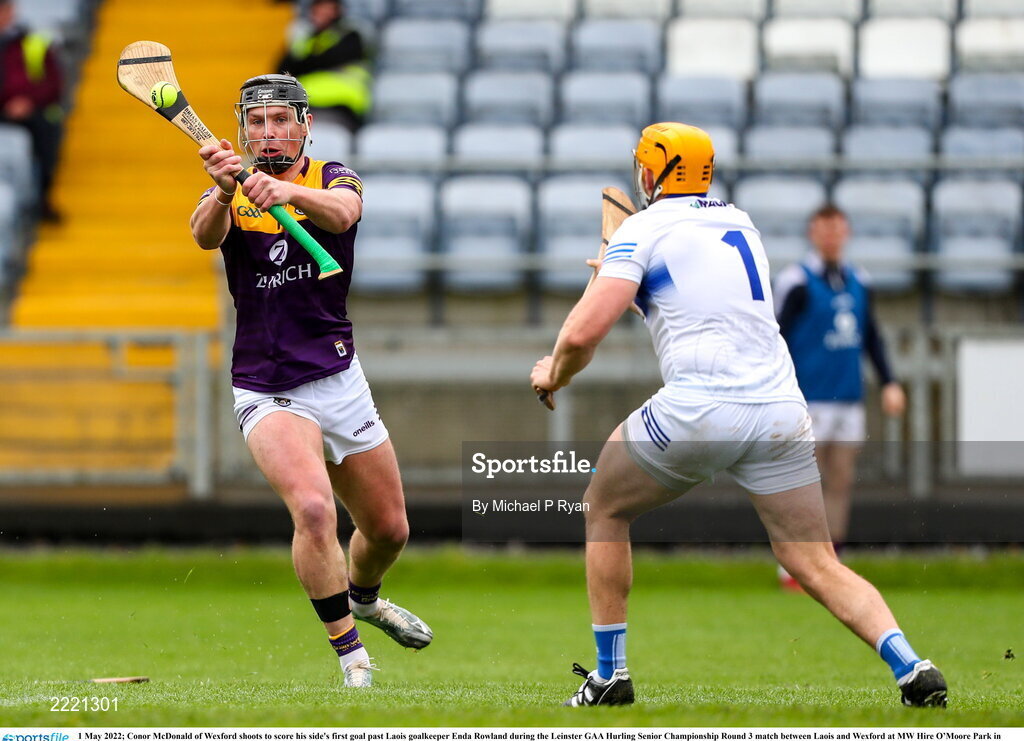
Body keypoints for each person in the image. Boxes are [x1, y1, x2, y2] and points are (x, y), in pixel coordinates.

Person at [530, 123, 946, 709]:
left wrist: (554, 371)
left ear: (652, 171)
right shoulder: (739, 220)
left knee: (605, 507)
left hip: (700, 409)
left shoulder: (644, 228)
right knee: (812, 558)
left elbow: (583, 333)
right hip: (780, 410)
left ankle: (609, 676)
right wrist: (627, 281)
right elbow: (693, 300)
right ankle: (912, 666)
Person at [189, 74, 431, 688]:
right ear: (244, 129)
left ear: (304, 126)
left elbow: (345, 213)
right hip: (266, 383)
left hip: (338, 376)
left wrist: (286, 193)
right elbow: (203, 235)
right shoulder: (232, 188)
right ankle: (353, 659)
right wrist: (223, 193)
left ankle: (365, 599)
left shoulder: (332, 176)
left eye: (280, 120)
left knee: (389, 530)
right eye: (256, 122)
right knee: (316, 510)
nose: (267, 133)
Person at [773, 205, 906, 590]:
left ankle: (833, 561)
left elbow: (871, 335)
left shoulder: (859, 281)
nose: (831, 237)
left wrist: (889, 381)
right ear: (812, 234)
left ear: (846, 233)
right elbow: (776, 338)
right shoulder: (797, 281)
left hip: (849, 397)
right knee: (803, 483)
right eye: (824, 229)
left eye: (837, 229)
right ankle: (794, 564)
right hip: (809, 398)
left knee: (841, 481)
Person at [0, 0, 64, 221]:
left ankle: (41, 198)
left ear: (11, 11)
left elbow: (53, 83)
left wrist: (27, 102)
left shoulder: (33, 42)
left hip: (31, 110)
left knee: (46, 129)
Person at [276, 0, 372, 133]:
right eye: (318, 10)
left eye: (327, 9)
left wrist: (303, 64)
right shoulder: (304, 41)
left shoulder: (350, 37)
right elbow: (281, 71)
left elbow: (330, 58)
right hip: (303, 105)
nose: (322, 14)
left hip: (340, 105)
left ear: (338, 12)